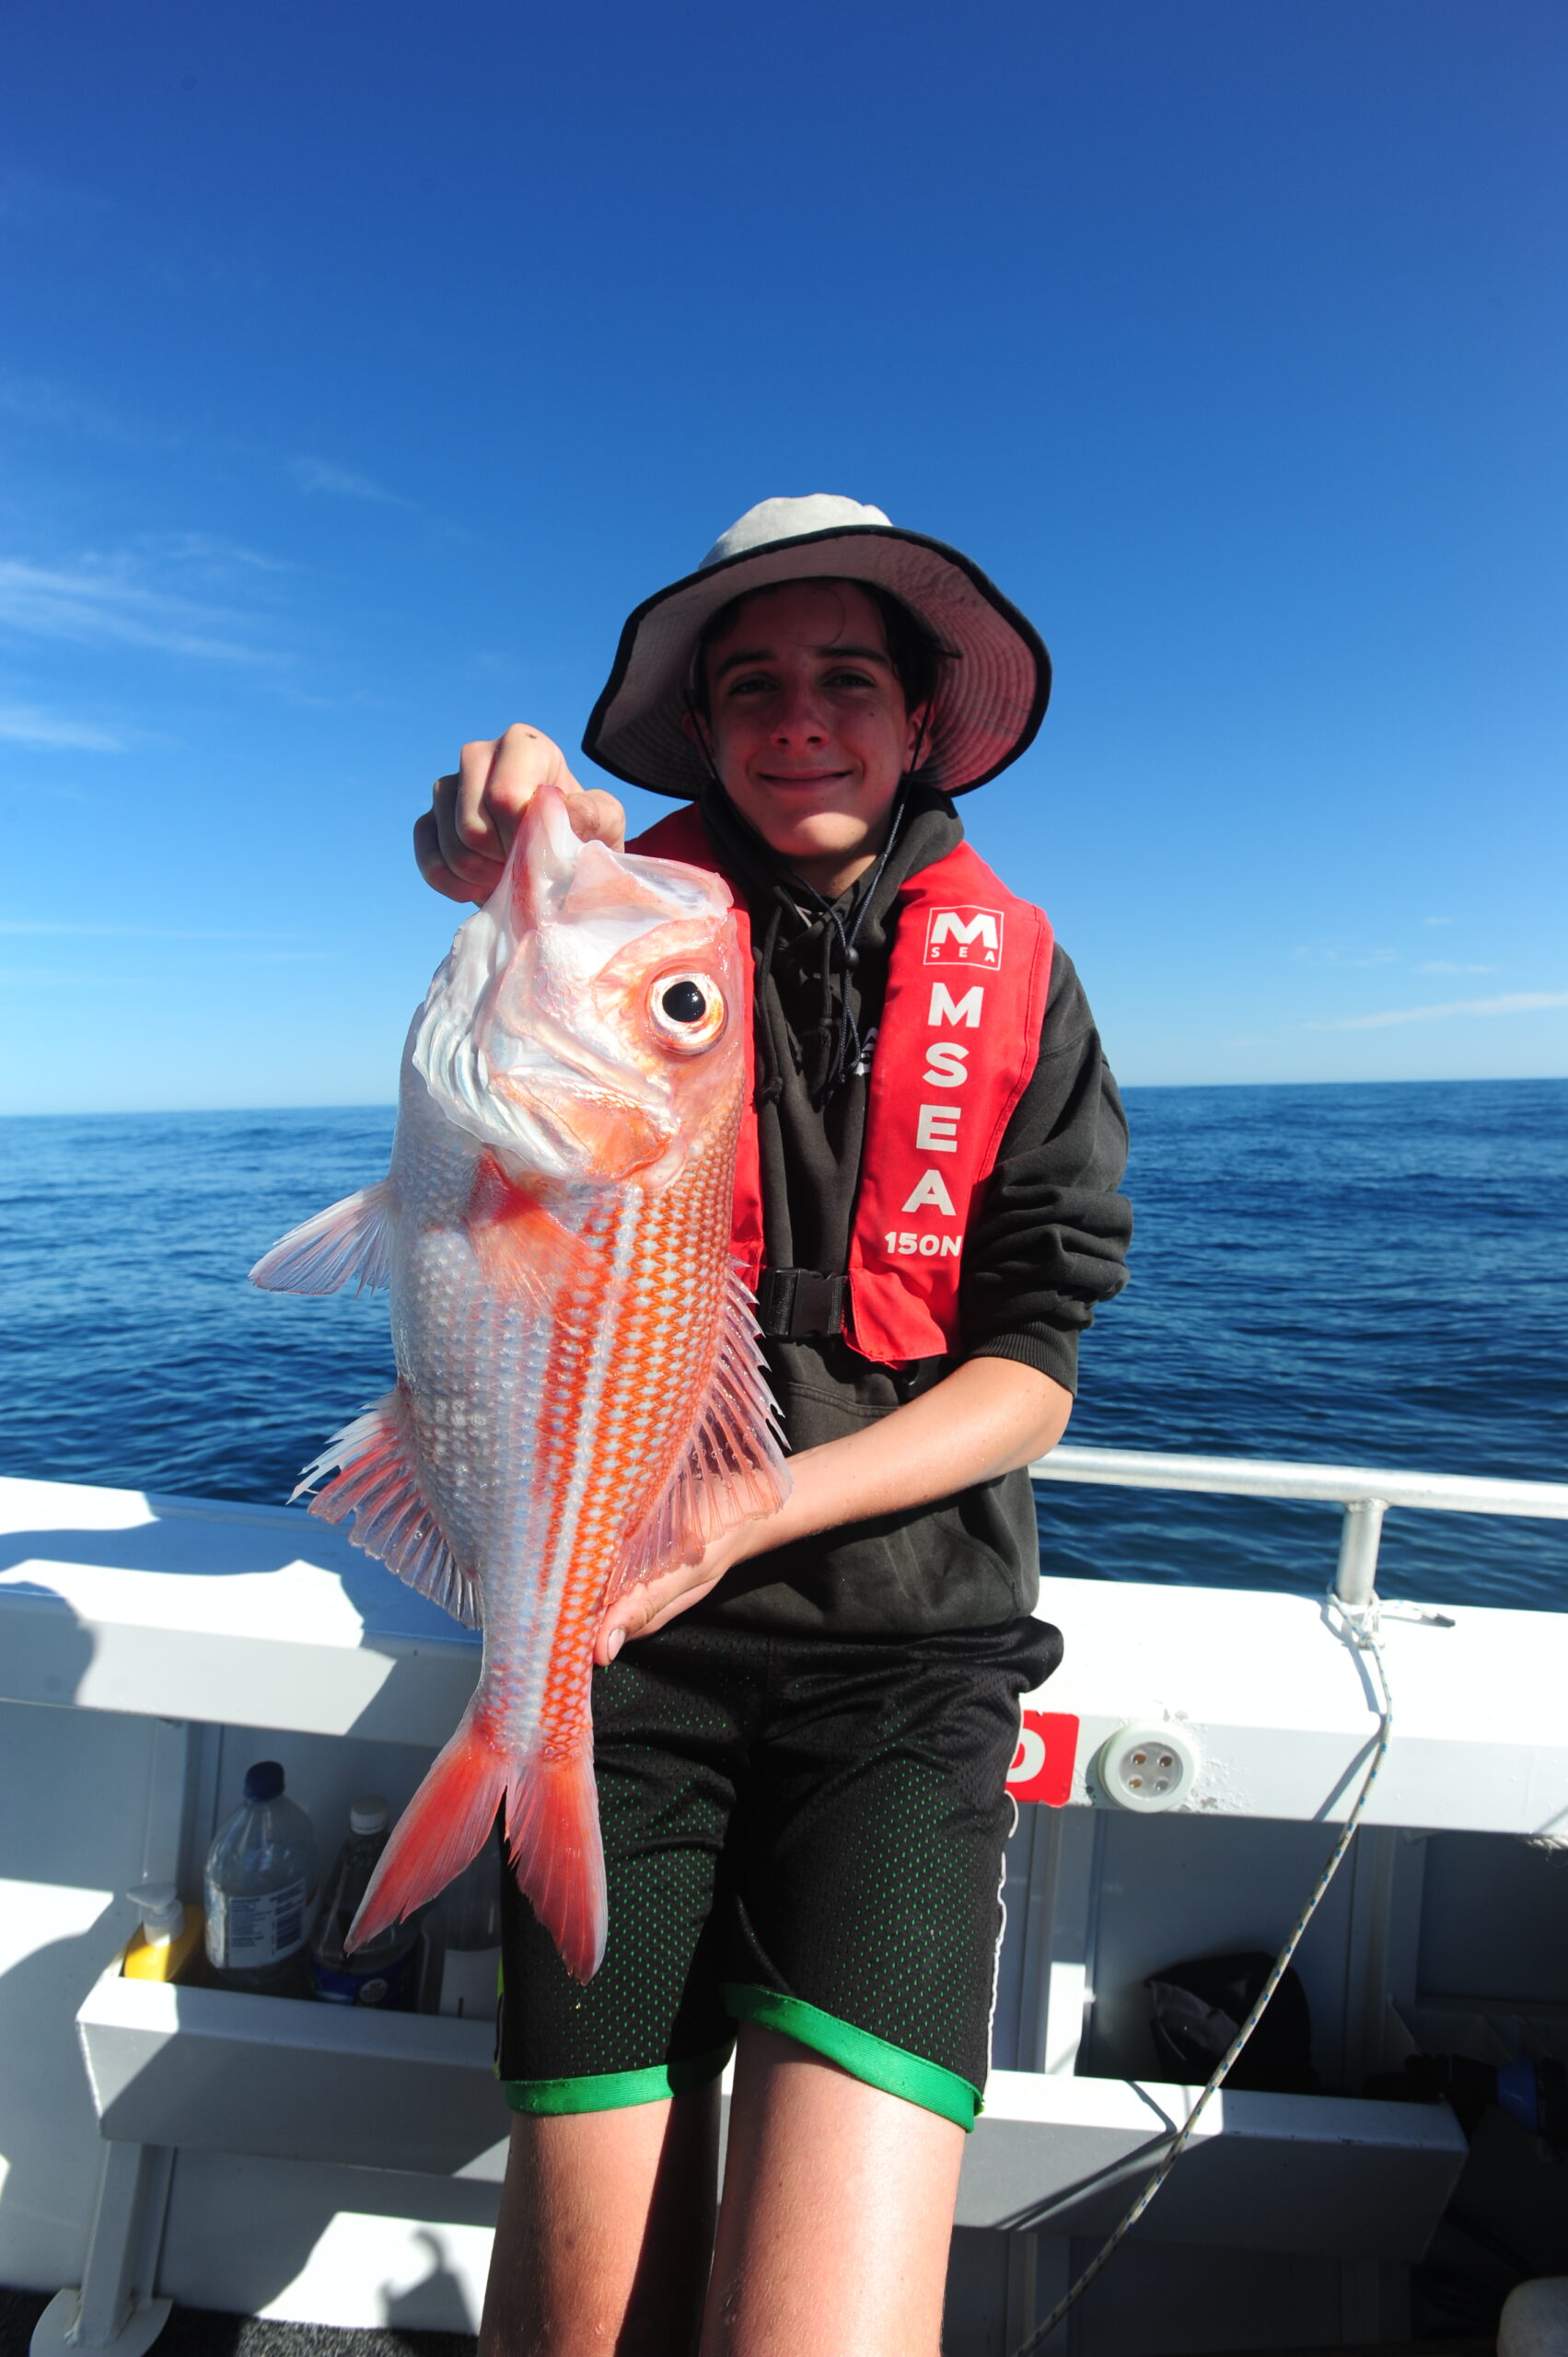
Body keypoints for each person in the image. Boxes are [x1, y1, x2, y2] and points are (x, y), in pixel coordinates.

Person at [413, 496, 1132, 2357]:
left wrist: (754, 1502)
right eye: (751, 686)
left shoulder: (1022, 977)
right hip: (619, 1664)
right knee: (579, 2321)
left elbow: (1035, 1356)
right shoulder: (621, 937)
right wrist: (485, 848)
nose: (797, 717)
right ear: (707, 729)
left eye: (842, 680)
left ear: (916, 723)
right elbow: (498, 1038)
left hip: (904, 1675)